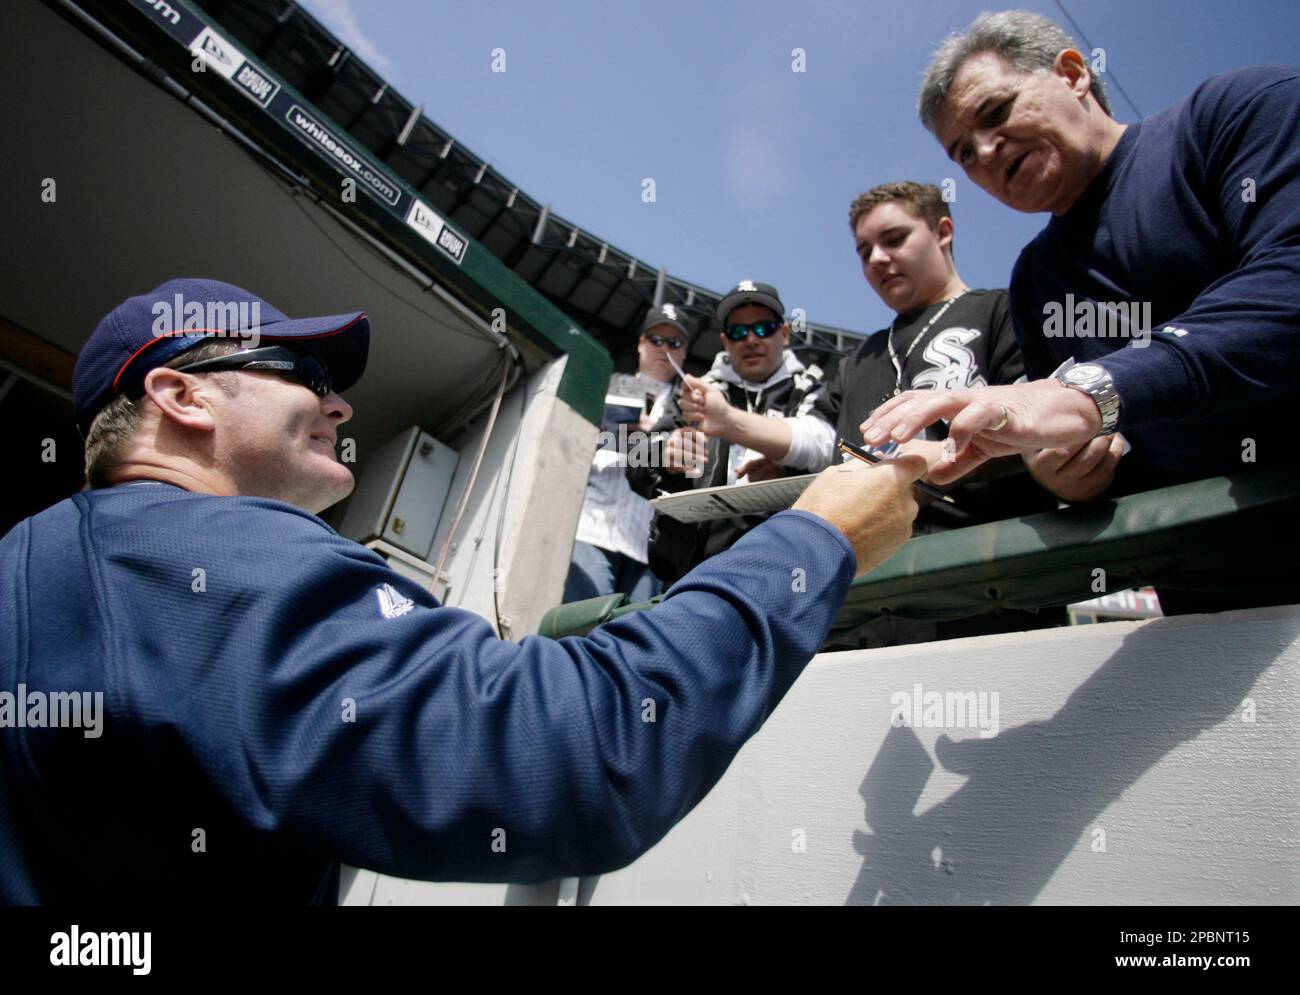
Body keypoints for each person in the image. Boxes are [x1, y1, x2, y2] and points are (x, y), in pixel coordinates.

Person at [0, 277, 929, 903]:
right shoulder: (204, 552)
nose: (338, 404)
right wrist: (818, 539)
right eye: (302, 373)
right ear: (183, 397)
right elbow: (568, 755)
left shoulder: (34, 559)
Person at [866, 11, 1300, 513]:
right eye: (963, 152)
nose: (984, 150)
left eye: (996, 112)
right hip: (1193, 573)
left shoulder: (1232, 115)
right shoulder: (1034, 278)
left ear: (1073, 75)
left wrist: (1089, 392)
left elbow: (1286, 282)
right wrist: (1067, 472)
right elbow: (1073, 436)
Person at [813, 181, 1062, 646]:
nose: (877, 260)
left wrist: (933, 457)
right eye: (864, 250)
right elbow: (811, 440)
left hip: (986, 594)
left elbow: (1048, 425)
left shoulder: (1005, 311)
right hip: (859, 605)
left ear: (942, 231)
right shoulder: (856, 358)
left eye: (893, 239)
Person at [632, 280, 837, 585]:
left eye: (764, 328)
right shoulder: (693, 391)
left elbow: (828, 447)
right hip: (688, 575)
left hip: (785, 573)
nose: (751, 339)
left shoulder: (810, 391)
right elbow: (635, 458)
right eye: (739, 332)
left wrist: (785, 467)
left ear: (784, 334)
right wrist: (665, 454)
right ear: (726, 341)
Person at [564, 304, 689, 604]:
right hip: (593, 527)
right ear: (641, 343)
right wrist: (626, 437)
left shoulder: (689, 405)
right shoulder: (606, 385)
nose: (664, 349)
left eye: (674, 343)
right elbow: (570, 440)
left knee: (629, 644)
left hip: (648, 545)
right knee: (576, 630)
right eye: (656, 340)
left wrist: (658, 442)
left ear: (684, 351)